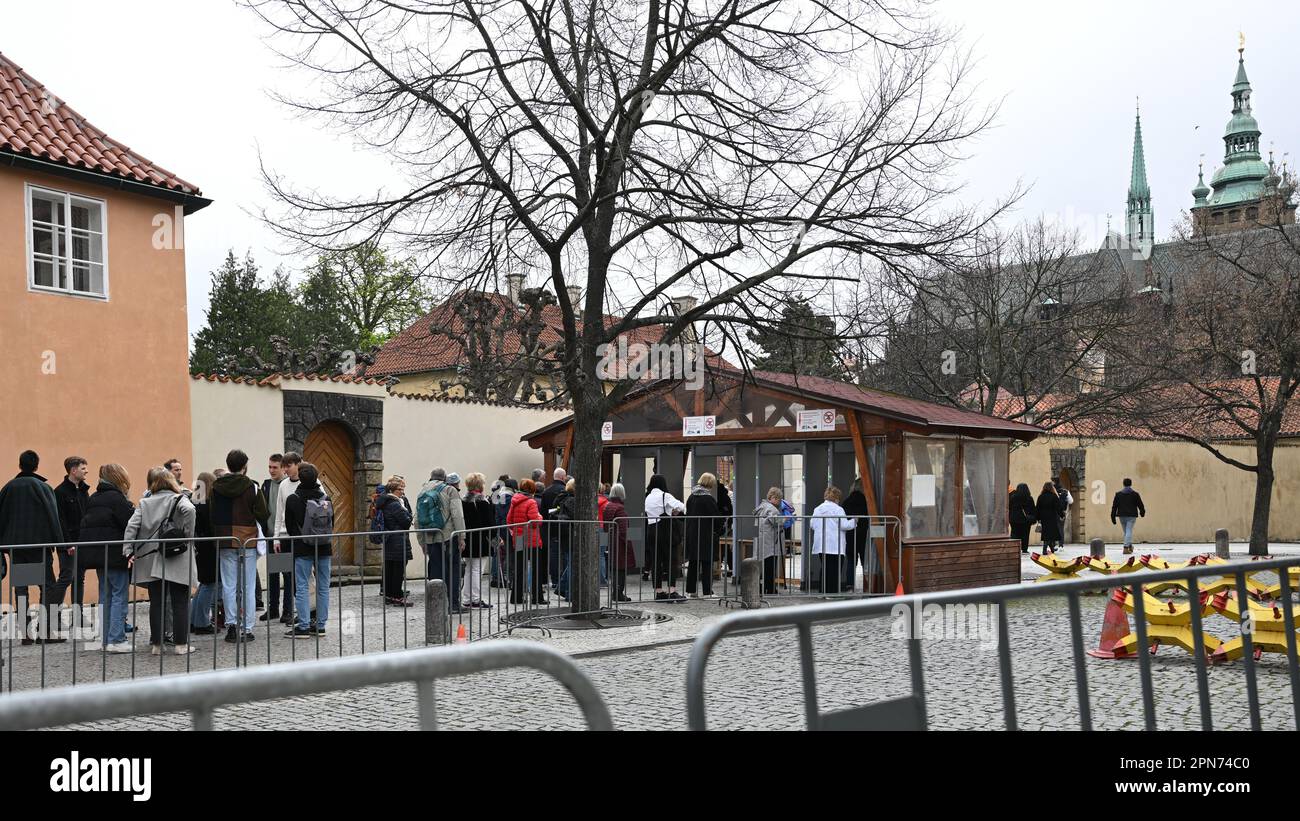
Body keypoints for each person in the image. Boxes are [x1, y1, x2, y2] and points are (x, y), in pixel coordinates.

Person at [124, 467, 197, 655]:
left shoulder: (145, 502)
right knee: (180, 601)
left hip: (152, 558)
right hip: (176, 556)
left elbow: (132, 526)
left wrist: (128, 549)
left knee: (156, 602)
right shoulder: (179, 498)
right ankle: (181, 645)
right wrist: (187, 535)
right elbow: (190, 510)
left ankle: (157, 645)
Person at [0, 450, 62, 643]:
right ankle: (45, 631)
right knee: (47, 587)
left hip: (17, 548)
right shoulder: (43, 487)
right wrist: (60, 544)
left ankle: (26, 634)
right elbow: (54, 517)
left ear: (20, 465)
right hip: (40, 547)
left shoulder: (8, 488)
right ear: (36, 466)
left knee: (21, 590)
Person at [209, 449, 270, 643]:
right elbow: (263, 512)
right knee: (248, 585)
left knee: (228, 586)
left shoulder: (215, 487)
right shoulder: (252, 487)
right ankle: (247, 628)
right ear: (244, 466)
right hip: (247, 540)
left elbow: (212, 514)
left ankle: (231, 626)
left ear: (228, 465)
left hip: (225, 539)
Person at [78, 464, 134, 651]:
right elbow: (130, 523)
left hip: (98, 554)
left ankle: (105, 639)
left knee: (105, 595)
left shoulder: (94, 497)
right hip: (116, 554)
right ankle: (117, 639)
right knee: (119, 595)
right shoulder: (117, 499)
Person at [284, 462, 333, 637]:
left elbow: (290, 527)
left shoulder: (293, 499)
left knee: (303, 586)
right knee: (323, 586)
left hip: (302, 547)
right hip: (324, 546)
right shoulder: (326, 499)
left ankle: (303, 625)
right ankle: (320, 625)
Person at [50, 456, 91, 618]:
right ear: (73, 470)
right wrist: (68, 544)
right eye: (83, 468)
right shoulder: (59, 492)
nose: (86, 471)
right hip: (68, 544)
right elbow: (60, 521)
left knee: (79, 579)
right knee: (66, 577)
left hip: (81, 541)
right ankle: (50, 617)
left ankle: (78, 615)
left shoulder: (83, 490)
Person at [419, 469, 465, 612]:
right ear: (444, 478)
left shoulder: (422, 491)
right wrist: (461, 536)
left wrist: (421, 541)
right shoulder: (450, 490)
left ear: (431, 477)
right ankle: (454, 605)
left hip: (430, 537)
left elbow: (417, 519)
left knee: (435, 571)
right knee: (453, 571)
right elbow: (457, 515)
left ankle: (435, 606)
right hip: (448, 537)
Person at [268, 452, 301, 624]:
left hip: (299, 538)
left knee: (295, 577)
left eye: (277, 467)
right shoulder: (270, 486)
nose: (272, 470)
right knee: (279, 573)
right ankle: (275, 609)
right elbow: (278, 515)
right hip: (280, 536)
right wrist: (275, 538)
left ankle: (291, 610)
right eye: (270, 467)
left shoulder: (307, 482)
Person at [645, 474, 686, 601]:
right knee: (671, 560)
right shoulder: (665, 495)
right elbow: (682, 506)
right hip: (665, 531)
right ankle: (671, 590)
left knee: (656, 561)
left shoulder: (648, 497)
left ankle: (658, 591)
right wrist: (674, 512)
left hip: (652, 530)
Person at [684, 473, 724, 597]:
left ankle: (691, 591)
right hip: (706, 535)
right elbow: (716, 518)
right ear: (710, 484)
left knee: (693, 563)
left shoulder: (691, 496)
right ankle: (707, 592)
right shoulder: (708, 498)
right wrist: (719, 529)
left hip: (692, 534)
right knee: (707, 563)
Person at [809, 486, 855, 594]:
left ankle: (823, 591)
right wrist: (854, 521)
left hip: (821, 544)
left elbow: (812, 524)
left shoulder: (818, 509)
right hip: (835, 545)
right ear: (836, 498)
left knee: (825, 568)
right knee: (835, 570)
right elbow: (844, 525)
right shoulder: (838, 509)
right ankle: (833, 592)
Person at [189, 472, 220, 634]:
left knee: (204, 584)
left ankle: (193, 620)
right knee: (209, 584)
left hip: (199, 547)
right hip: (209, 547)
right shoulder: (208, 505)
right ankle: (201, 622)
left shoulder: (194, 502)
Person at [506, 478, 545, 604]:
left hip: (519, 538)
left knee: (519, 568)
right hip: (531, 539)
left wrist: (517, 530)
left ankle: (516, 597)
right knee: (536, 569)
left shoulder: (514, 501)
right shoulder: (531, 502)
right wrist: (541, 517)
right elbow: (535, 522)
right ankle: (537, 597)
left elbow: (509, 521)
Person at [377, 477, 414, 606]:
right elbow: (406, 521)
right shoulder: (395, 504)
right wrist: (407, 512)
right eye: (400, 489)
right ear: (392, 490)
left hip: (390, 540)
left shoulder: (386, 502)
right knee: (397, 570)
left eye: (403, 489)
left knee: (390, 568)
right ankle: (397, 596)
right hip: (398, 540)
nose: (402, 492)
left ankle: (389, 595)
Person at [460, 473, 495, 609]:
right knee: (477, 570)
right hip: (481, 540)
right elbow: (490, 523)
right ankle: (474, 599)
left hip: (468, 540)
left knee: (469, 569)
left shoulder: (463, 501)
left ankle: (467, 598)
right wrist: (496, 539)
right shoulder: (482, 502)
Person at [603, 483, 633, 602]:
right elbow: (624, 529)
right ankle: (618, 594)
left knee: (615, 569)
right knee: (621, 569)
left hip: (611, 540)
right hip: (620, 543)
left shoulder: (608, 506)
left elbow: (606, 526)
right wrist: (628, 545)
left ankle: (615, 593)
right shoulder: (620, 508)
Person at [841, 478, 872, 593]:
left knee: (851, 562)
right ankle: (867, 586)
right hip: (864, 535)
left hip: (850, 535)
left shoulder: (846, 501)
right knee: (865, 561)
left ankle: (850, 586)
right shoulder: (867, 501)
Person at [540, 468, 567, 594]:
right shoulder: (565, 490)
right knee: (566, 554)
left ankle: (555, 579)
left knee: (554, 553)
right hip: (565, 526)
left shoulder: (546, 491)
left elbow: (543, 512)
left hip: (550, 527)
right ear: (563, 477)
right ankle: (563, 580)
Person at [754, 488, 785, 595]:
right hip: (772, 541)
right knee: (771, 567)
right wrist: (786, 518)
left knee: (767, 566)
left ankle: (767, 587)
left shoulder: (762, 507)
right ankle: (770, 588)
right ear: (774, 498)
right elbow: (776, 522)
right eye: (779, 499)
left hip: (765, 540)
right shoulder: (772, 509)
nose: (780, 502)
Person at [489, 476, 514, 588]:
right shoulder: (513, 499)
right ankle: (509, 579)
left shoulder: (497, 498)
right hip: (511, 530)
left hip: (498, 529)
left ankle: (496, 578)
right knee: (511, 554)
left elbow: (497, 516)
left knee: (498, 553)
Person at [1110, 477, 1146, 555]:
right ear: (1131, 484)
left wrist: (1113, 516)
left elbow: (1114, 506)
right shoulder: (1135, 494)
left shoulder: (1118, 494)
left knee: (1126, 532)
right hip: (1131, 516)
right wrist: (1142, 512)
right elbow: (1140, 505)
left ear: (1123, 484)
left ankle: (1130, 546)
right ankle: (1126, 548)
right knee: (1128, 531)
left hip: (1122, 516)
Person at [1036, 481, 1065, 554]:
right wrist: (1062, 515)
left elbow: (1037, 508)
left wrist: (1038, 518)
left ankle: (1051, 549)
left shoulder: (1040, 496)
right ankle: (1044, 549)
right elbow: (1058, 507)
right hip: (1052, 517)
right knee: (1050, 534)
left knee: (1047, 533)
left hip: (1043, 518)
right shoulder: (1054, 496)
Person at [1008, 483, 1037, 554]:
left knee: (1014, 533)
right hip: (1026, 520)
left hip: (1014, 519)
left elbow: (1009, 508)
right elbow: (1033, 509)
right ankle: (1024, 549)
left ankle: (1014, 548)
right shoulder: (1029, 498)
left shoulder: (1013, 497)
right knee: (1025, 534)